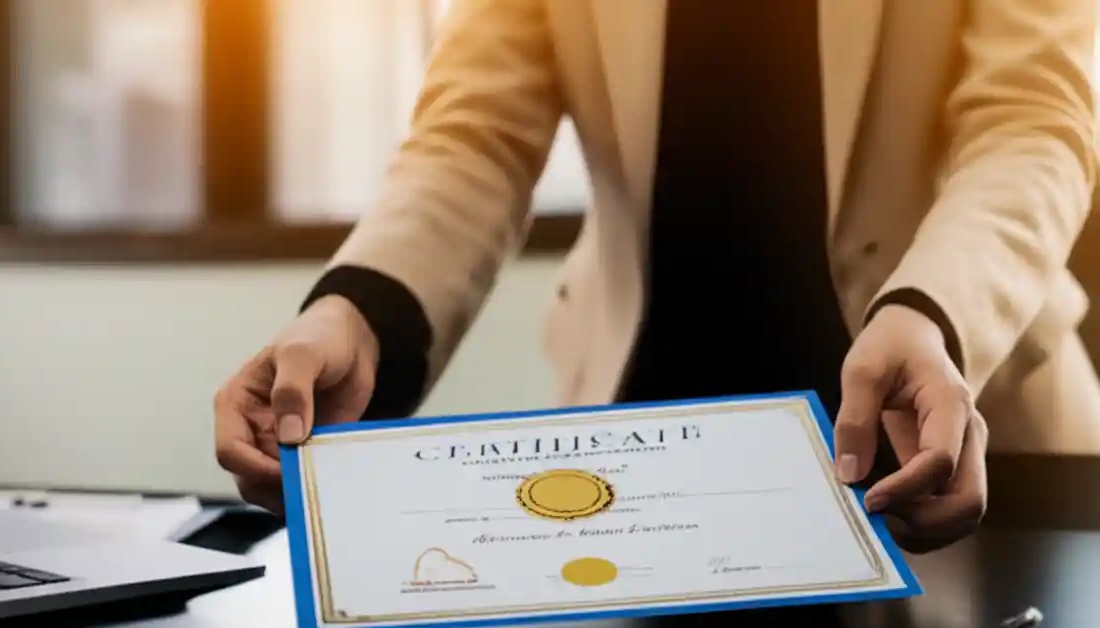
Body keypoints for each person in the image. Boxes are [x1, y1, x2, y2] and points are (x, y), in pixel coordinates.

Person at [215, 1, 1100, 552]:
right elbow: (475, 131)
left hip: (953, 436)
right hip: (642, 461)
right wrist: (356, 309)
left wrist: (930, 313)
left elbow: (1034, 119)